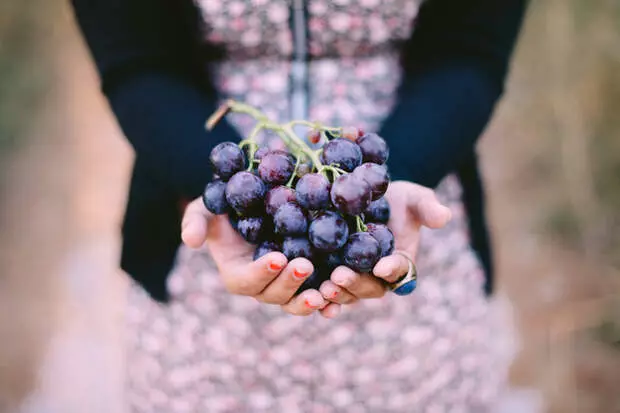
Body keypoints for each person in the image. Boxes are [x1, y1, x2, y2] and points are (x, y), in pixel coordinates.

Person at [71, 0, 528, 411]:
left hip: (409, 228)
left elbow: (468, 51)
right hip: (206, 255)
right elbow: (139, 63)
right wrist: (220, 188)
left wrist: (389, 178)